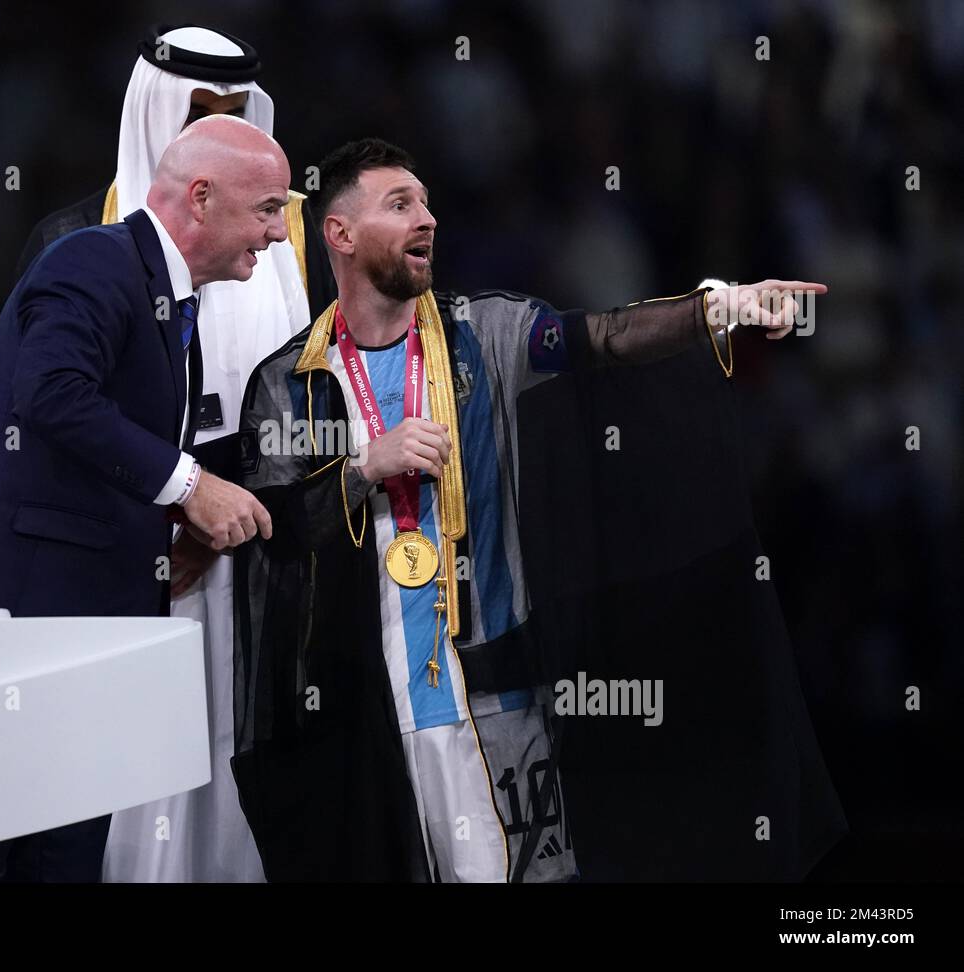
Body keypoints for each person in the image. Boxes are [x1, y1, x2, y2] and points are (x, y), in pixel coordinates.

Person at [231, 137, 844, 881]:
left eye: (427, 202)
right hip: (369, 723)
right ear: (341, 233)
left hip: (502, 702)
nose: (427, 218)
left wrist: (718, 307)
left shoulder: (488, 332)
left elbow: (608, 339)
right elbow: (274, 531)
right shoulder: (288, 382)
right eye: (401, 204)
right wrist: (366, 467)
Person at [0, 115, 288, 882]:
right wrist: (191, 489)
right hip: (8, 612)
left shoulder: (170, 299)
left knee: (59, 861)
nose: (276, 233)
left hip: (78, 633)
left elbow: (122, 439)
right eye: (267, 208)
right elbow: (51, 394)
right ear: (201, 197)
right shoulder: (93, 262)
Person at [14, 23, 333, 883]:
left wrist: (227, 509)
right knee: (123, 799)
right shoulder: (76, 242)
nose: (218, 128)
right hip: (127, 569)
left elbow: (315, 397)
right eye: (202, 109)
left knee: (249, 790)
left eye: (238, 111)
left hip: (261, 555)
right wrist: (162, 521)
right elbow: (51, 420)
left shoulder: (290, 241)